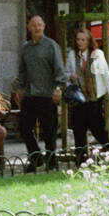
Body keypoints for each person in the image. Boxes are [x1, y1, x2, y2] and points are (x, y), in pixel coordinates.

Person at [17, 15, 64, 170]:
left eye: (39, 25)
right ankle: (36, 157)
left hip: (47, 94)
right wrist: (19, 88)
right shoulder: (26, 48)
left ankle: (52, 161)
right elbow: (22, 71)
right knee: (23, 127)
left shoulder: (51, 46)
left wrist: (59, 88)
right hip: (30, 94)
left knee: (49, 130)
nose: (37, 28)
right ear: (29, 28)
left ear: (44, 27)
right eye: (33, 25)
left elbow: (59, 69)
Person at [63, 28, 109, 161]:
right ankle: (80, 160)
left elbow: (106, 75)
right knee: (78, 130)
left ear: (89, 41)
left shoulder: (97, 54)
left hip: (94, 98)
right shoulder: (72, 55)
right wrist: (71, 76)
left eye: (83, 40)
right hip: (78, 98)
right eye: (78, 39)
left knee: (98, 129)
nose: (80, 42)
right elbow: (66, 73)